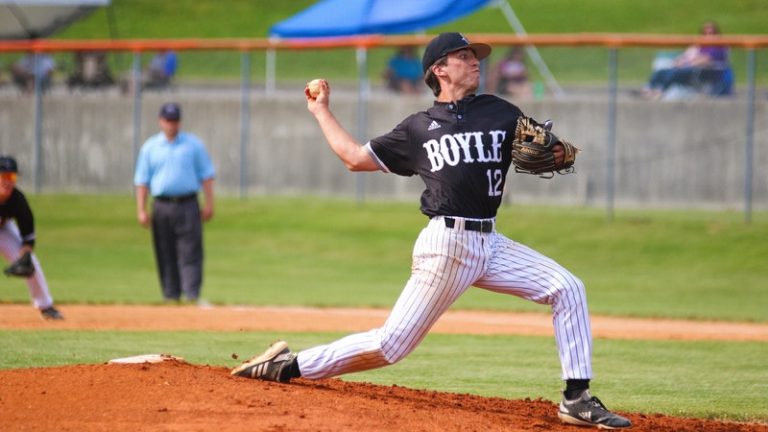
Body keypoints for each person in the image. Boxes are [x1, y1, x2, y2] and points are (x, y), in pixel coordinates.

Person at [231, 32, 632, 430]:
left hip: (490, 243)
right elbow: (355, 158)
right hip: (447, 245)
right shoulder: (418, 129)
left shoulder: (500, 111)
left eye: (475, 55)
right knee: (390, 346)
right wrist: (321, 110)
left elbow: (547, 149)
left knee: (568, 288)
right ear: (439, 69)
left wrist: (558, 153)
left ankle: (576, 398)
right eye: (464, 56)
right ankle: (287, 366)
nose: (475, 60)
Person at [134, 103, 215, 304]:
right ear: (161, 121)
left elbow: (206, 176)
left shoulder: (192, 145)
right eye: (168, 120)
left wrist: (209, 203)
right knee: (164, 250)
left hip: (188, 203)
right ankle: (170, 295)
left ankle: (191, 294)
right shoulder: (150, 147)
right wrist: (141, 209)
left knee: (191, 250)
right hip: (161, 205)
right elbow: (142, 181)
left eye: (175, 120)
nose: (172, 124)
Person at [0, 156, 63, 320]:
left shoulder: (17, 200)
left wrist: (24, 255)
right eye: (3, 176)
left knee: (31, 262)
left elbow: (28, 237)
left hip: (3, 231)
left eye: (12, 176)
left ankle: (45, 306)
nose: (8, 181)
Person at [642, 21, 731, 99]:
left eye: (712, 33)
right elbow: (686, 55)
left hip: (705, 72)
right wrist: (679, 61)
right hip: (690, 68)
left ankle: (661, 92)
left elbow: (706, 60)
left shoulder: (719, 46)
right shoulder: (700, 45)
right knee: (661, 71)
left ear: (717, 34)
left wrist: (689, 62)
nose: (708, 36)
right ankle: (648, 89)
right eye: (705, 33)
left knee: (674, 73)